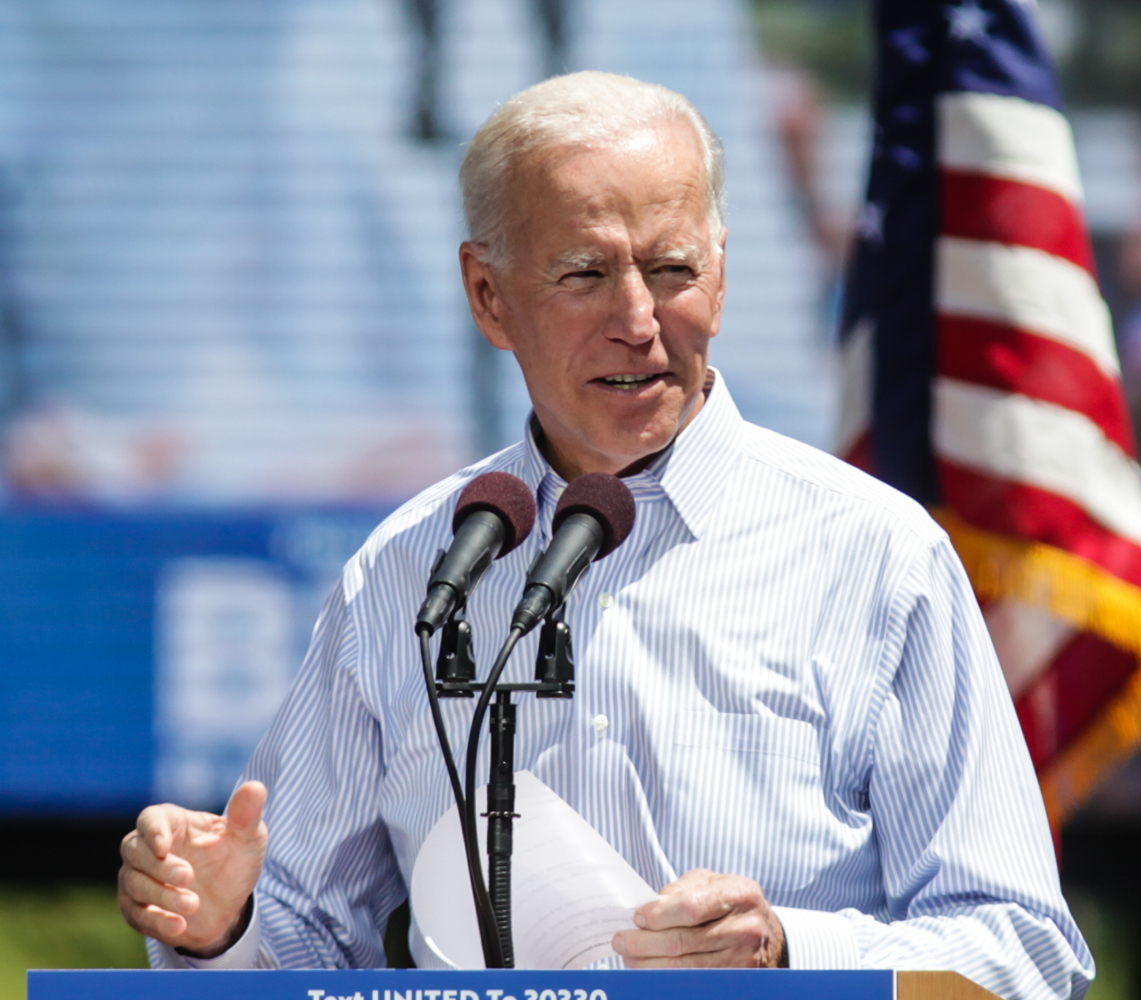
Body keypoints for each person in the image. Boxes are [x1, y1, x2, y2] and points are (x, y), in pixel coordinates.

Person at [115, 71, 1091, 998]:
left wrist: (792, 951)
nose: (638, 320)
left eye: (672, 269)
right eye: (585, 273)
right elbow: (305, 942)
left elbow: (1021, 952)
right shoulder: (412, 569)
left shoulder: (878, 554)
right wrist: (222, 923)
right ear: (488, 297)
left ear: (722, 272)